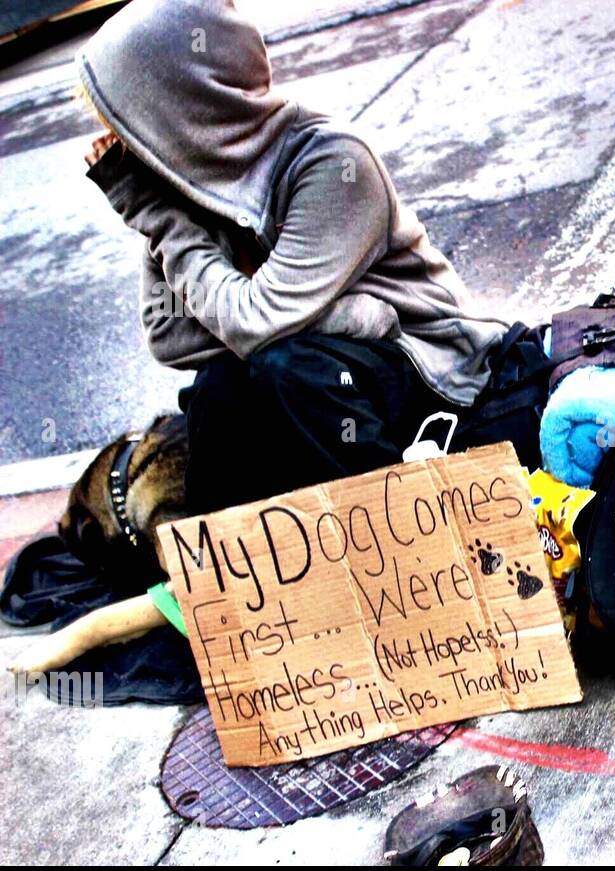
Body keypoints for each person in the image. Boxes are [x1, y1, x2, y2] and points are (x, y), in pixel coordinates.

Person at [78, 0, 507, 513]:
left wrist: (157, 215)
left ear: (182, 110)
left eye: (129, 131)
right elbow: (172, 339)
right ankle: (231, 576)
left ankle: (411, 537)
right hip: (334, 365)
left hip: (434, 366)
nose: (125, 148)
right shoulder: (200, 185)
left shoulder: (331, 161)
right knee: (218, 389)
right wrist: (167, 209)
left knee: (287, 365)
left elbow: (257, 326)